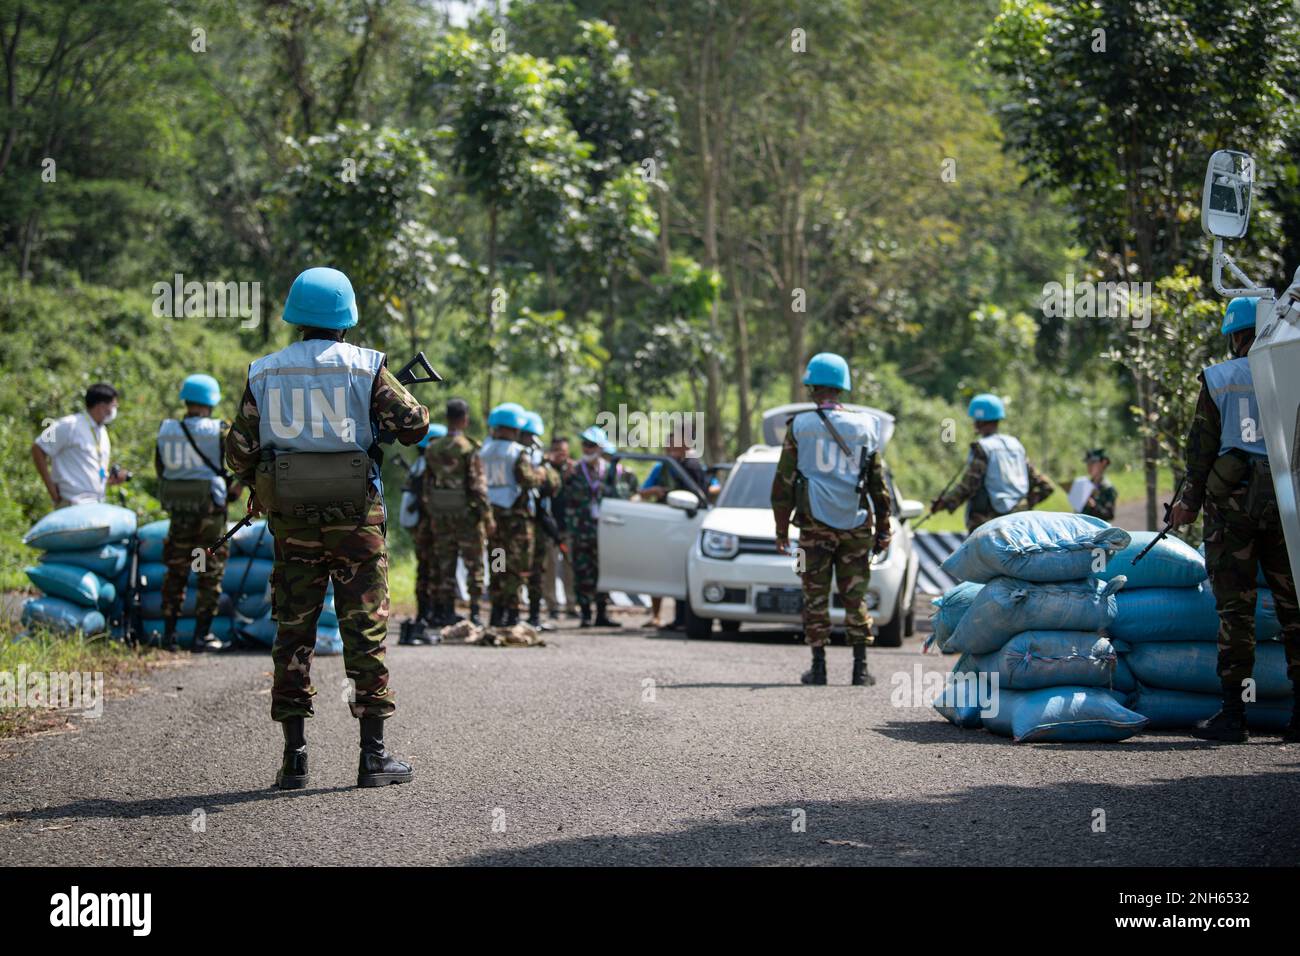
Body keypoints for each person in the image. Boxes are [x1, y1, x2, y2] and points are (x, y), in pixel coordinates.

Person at [226, 266, 429, 790]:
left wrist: (265, 477)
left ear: (296, 316)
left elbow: (238, 453)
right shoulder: (366, 366)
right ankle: (373, 758)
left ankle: (294, 761)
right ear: (347, 316)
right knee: (365, 629)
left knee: (293, 632)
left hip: (293, 526)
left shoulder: (265, 372)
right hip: (356, 522)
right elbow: (414, 425)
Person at [1168, 297, 1300, 743]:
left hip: (1232, 511)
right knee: (1294, 608)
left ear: (1236, 334)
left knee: (1235, 611)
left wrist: (1187, 502)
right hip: (1287, 507)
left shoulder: (1220, 378)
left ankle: (1233, 716)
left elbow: (1200, 452)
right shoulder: (1292, 373)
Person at [771, 352, 893, 686]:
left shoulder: (800, 426)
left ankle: (819, 667)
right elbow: (877, 485)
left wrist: (781, 529)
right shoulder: (866, 426)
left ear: (812, 387)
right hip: (856, 527)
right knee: (856, 596)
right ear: (842, 388)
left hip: (812, 528)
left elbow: (783, 482)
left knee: (814, 593)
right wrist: (884, 529)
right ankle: (860, 668)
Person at [154, 374, 240, 653]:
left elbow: (161, 470)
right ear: (211, 402)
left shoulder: (167, 430)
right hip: (210, 516)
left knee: (176, 571)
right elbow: (244, 459)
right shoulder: (219, 430)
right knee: (207, 571)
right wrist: (237, 488)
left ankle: (169, 636)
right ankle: (202, 637)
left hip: (179, 513)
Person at [931, 393, 1054, 532]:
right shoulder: (1015, 445)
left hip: (989, 527)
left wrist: (945, 503)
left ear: (979, 421)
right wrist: (1026, 504)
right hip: (1020, 525)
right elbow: (1046, 486)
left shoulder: (982, 448)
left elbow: (968, 486)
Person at [639, 432, 718, 629]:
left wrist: (702, 493)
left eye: (675, 442)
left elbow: (711, 488)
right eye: (669, 442)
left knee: (684, 569)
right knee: (660, 568)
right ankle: (658, 615)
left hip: (687, 523)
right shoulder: (663, 467)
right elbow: (642, 491)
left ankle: (683, 619)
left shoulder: (694, 465)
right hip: (664, 523)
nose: (670, 446)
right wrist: (657, 491)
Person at [424, 399, 491, 627]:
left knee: (445, 564)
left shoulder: (433, 448)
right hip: (467, 517)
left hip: (441, 516)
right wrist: (487, 516)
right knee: (474, 565)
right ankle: (474, 612)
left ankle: (447, 612)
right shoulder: (469, 448)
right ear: (465, 419)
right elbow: (477, 485)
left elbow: (427, 485)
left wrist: (432, 511)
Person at [562, 426, 637, 627]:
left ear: (600, 447)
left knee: (604, 570)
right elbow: (562, 497)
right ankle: (585, 613)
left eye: (591, 445)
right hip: (581, 530)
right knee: (582, 571)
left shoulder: (613, 471)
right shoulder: (574, 470)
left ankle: (602, 613)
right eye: (585, 444)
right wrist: (564, 478)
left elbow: (626, 494)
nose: (587, 449)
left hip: (606, 529)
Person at [478, 402, 542, 627]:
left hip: (493, 517)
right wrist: (540, 473)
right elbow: (528, 479)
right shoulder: (517, 452)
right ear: (514, 428)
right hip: (515, 520)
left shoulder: (484, 451)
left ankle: (497, 612)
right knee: (515, 567)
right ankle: (512, 614)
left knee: (498, 563)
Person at [32, 383, 129, 507]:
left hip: (96, 504)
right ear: (101, 406)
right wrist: (51, 489)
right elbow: (38, 447)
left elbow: (90, 469)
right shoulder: (69, 425)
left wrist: (109, 479)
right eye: (113, 405)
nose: (114, 410)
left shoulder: (102, 432)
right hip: (72, 504)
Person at [401, 423, 446, 644]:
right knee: (435, 569)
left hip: (422, 527)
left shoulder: (419, 465)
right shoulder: (428, 466)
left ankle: (425, 613)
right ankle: (433, 613)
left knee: (425, 570)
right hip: (430, 526)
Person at [520, 412, 563, 630]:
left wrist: (545, 467)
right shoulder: (514, 455)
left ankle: (533, 613)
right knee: (500, 563)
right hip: (513, 523)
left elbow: (554, 486)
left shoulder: (538, 459)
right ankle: (504, 611)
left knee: (536, 569)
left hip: (535, 522)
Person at [544, 436, 577, 620]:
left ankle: (572, 605)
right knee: (549, 568)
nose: (559, 455)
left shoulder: (575, 471)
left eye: (562, 452)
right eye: (556, 451)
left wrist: (571, 477)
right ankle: (552, 605)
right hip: (550, 527)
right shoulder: (544, 470)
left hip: (568, 527)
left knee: (569, 568)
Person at [1079, 448, 1117, 522]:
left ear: (1103, 463)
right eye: (1088, 463)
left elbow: (1109, 515)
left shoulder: (1108, 488)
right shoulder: (1086, 486)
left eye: (1092, 463)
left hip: (1100, 530)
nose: (1089, 467)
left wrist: (1094, 506)